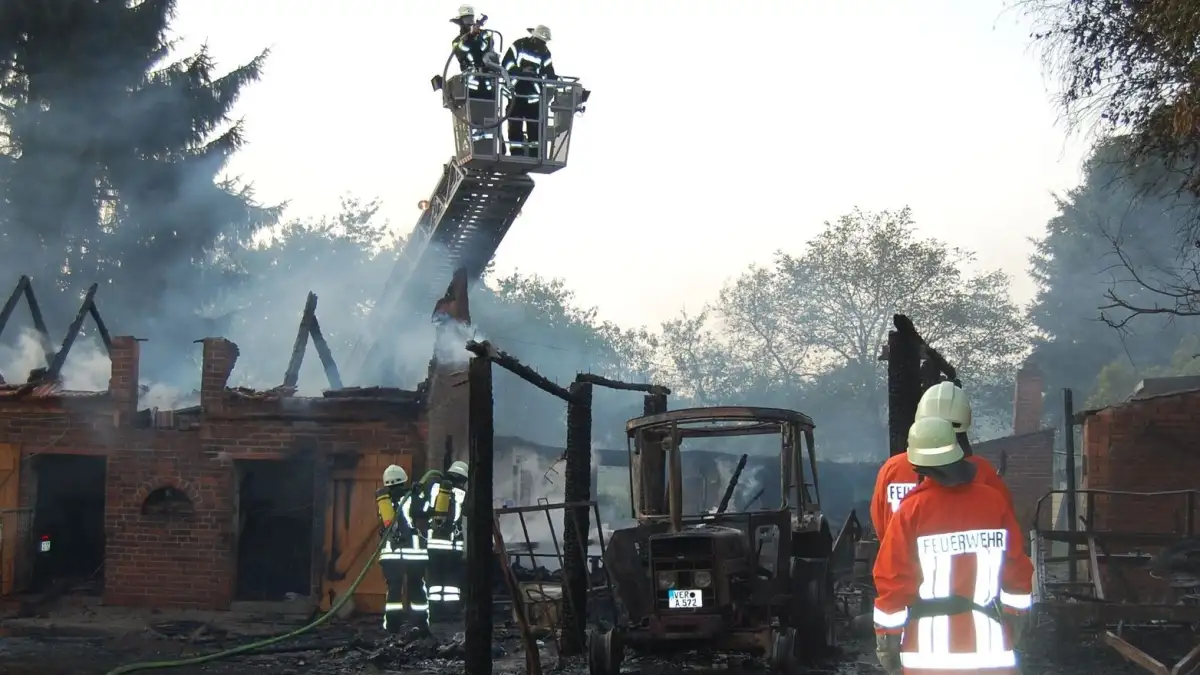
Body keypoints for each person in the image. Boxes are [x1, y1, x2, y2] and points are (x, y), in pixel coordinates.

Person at [873, 417, 1033, 675]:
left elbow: (892, 582)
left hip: (927, 658)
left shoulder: (911, 511)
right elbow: (1018, 572)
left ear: (918, 465)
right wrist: (1015, 621)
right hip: (991, 653)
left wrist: (888, 642)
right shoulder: (993, 502)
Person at [870, 381, 1015, 540]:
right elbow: (1005, 526)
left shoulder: (892, 468)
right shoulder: (979, 470)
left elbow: (881, 524)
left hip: (900, 559)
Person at [375, 464, 430, 633]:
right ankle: (420, 625)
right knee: (416, 588)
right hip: (414, 555)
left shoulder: (383, 500)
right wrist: (420, 493)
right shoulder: (412, 497)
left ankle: (392, 626)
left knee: (393, 590)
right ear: (404, 479)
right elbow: (427, 511)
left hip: (391, 555)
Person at [450, 5, 499, 152]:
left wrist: (477, 35)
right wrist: (470, 37)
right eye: (466, 19)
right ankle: (476, 148)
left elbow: (488, 49)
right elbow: (461, 53)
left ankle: (492, 147)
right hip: (471, 86)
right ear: (461, 22)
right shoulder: (457, 41)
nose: (470, 21)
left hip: (488, 83)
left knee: (490, 118)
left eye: (471, 18)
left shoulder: (485, 35)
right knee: (474, 118)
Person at [502, 25, 556, 157]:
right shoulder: (519, 45)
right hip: (516, 92)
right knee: (515, 124)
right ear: (533, 37)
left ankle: (534, 154)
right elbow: (506, 64)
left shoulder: (545, 52)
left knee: (534, 127)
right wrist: (521, 72)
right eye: (540, 41)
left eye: (544, 42)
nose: (542, 44)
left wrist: (548, 79)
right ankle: (517, 153)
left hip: (533, 95)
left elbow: (549, 73)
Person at [425, 461, 469, 621]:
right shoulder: (461, 493)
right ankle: (450, 611)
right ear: (463, 478)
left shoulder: (433, 487)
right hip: (452, 546)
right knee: (451, 580)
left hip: (433, 544)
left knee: (435, 577)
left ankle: (435, 612)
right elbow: (470, 511)